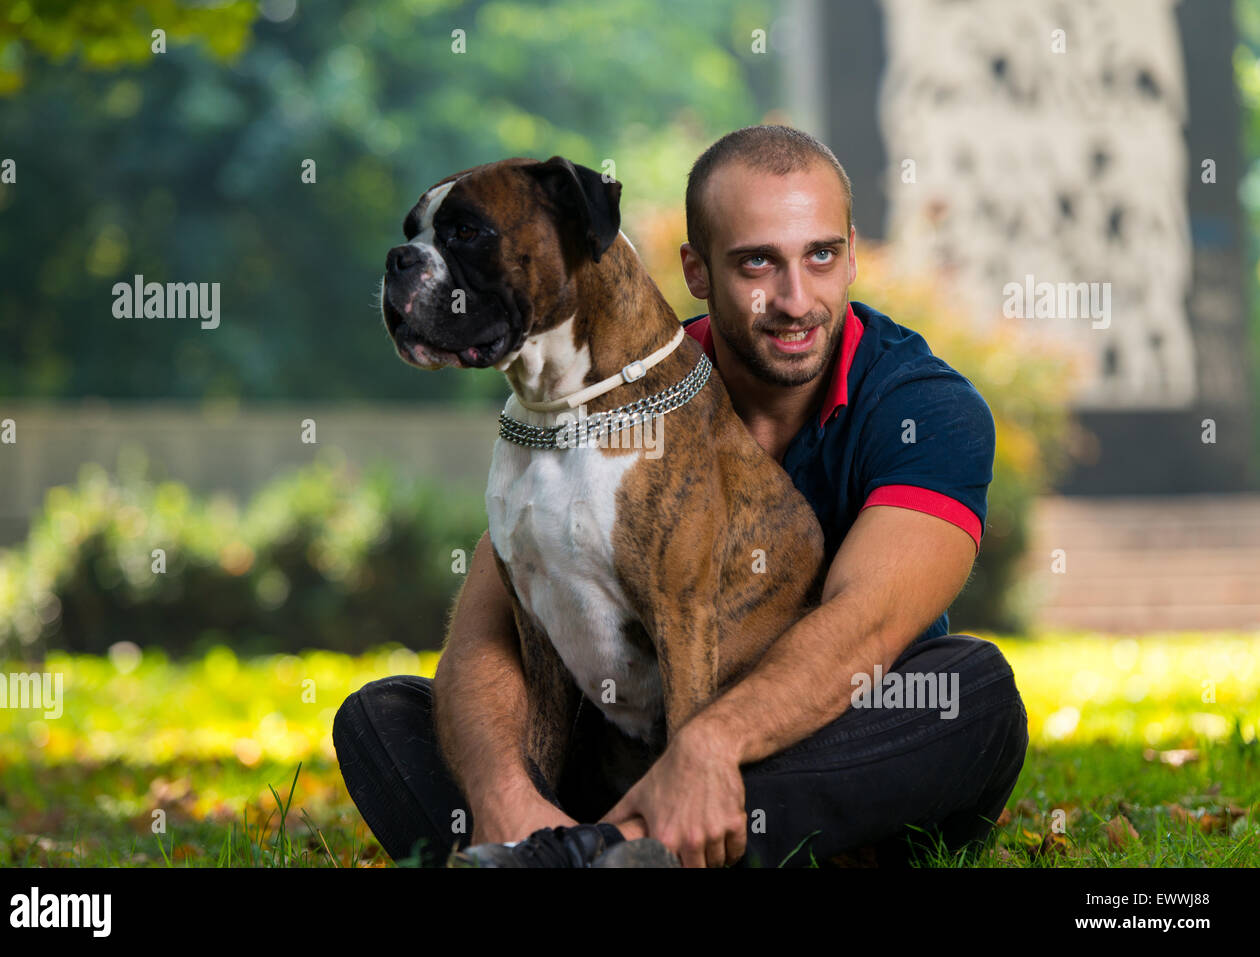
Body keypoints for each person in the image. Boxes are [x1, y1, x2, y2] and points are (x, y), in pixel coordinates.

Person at [334, 125, 1028, 868]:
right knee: (382, 717)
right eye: (757, 262)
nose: (796, 299)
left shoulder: (924, 405)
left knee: (969, 689)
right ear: (696, 271)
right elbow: (492, 619)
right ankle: (565, 846)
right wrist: (503, 789)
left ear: (854, 252)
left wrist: (710, 745)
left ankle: (598, 852)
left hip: (825, 748)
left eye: (821, 255)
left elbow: (863, 629)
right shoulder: (617, 380)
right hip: (618, 751)